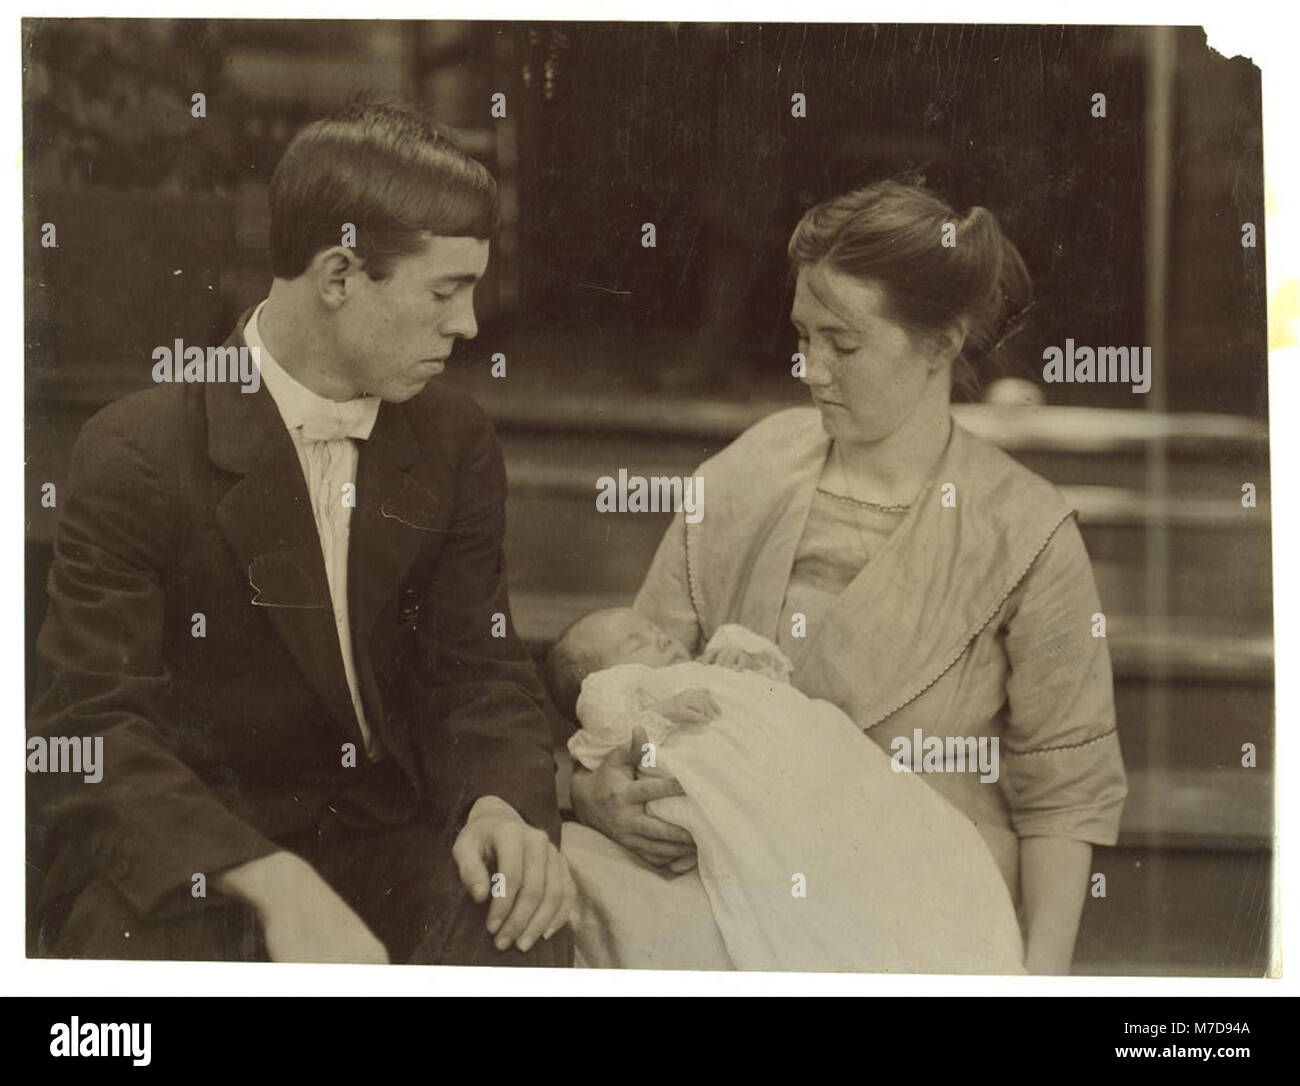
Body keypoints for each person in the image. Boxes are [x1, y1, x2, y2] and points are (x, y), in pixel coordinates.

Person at [27, 101, 574, 966]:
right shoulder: (138, 451)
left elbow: (477, 667)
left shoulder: (454, 439)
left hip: (383, 831)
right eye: (446, 291)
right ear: (339, 275)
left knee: (516, 931)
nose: (468, 326)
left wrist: (499, 806)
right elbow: (91, 726)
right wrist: (270, 880)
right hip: (200, 851)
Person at [569, 180, 1128, 974]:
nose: (811, 369)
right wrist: (599, 791)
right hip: (728, 850)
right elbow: (631, 676)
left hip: (913, 885)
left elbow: (1065, 795)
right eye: (802, 336)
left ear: (943, 342)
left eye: (844, 343)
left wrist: (1039, 984)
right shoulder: (753, 466)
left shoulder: (1023, 528)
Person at [549, 608, 1025, 973]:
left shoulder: (708, 664)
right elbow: (606, 736)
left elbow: (776, 696)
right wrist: (659, 715)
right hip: (732, 783)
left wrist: (743, 667)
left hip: (816, 761)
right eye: (637, 641)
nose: (659, 636)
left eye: (654, 629)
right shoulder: (626, 689)